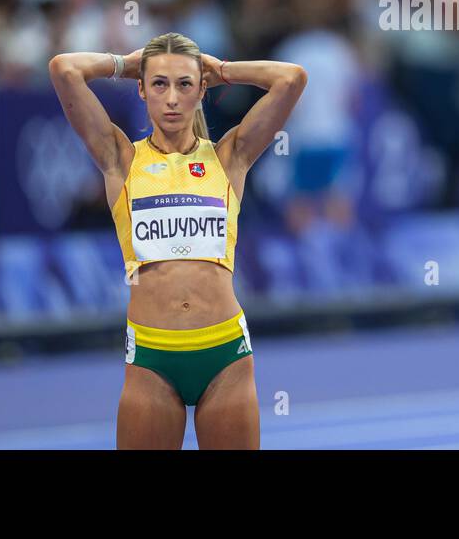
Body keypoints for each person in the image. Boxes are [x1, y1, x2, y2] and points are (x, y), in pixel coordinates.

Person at [49, 31, 306, 448]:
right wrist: (124, 62)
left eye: (185, 84)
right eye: (159, 84)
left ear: (202, 90)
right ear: (142, 89)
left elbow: (291, 78)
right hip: (152, 359)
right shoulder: (120, 160)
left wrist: (222, 69)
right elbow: (64, 68)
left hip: (225, 355)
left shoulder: (230, 157)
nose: (171, 98)